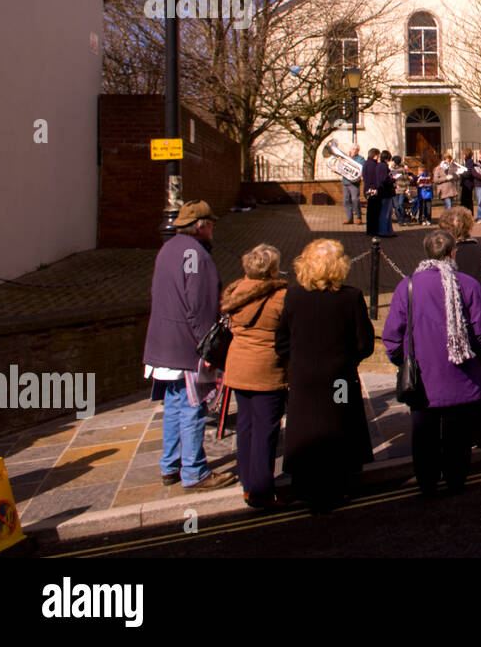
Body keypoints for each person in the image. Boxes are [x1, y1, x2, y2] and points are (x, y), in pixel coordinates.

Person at [382, 229, 481, 495]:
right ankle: (456, 480)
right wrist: (477, 358)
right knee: (458, 435)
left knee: (424, 434)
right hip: (462, 373)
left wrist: (401, 361)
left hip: (423, 376)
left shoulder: (407, 285)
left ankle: (427, 482)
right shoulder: (468, 284)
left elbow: (392, 335)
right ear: (452, 253)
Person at [142, 200, 236, 492]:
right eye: (211, 224)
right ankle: (194, 472)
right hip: (186, 348)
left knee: (173, 405)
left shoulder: (168, 248)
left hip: (163, 344)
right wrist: (207, 349)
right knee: (194, 408)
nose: (213, 229)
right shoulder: (195, 255)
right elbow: (199, 305)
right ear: (201, 226)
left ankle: (170, 465)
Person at [275, 239, 374, 510]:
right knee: (338, 429)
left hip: (304, 376)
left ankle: (304, 487)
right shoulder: (351, 297)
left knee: (305, 429)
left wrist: (297, 361)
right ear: (340, 266)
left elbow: (281, 341)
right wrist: (348, 359)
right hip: (339, 377)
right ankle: (336, 488)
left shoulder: (294, 296)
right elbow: (364, 344)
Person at [221, 243, 289, 508]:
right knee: (266, 431)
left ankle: (248, 484)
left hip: (238, 366)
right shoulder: (279, 296)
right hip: (266, 369)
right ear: (271, 268)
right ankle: (261, 492)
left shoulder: (235, 291)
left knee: (245, 427)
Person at [436, 207, 481, 445]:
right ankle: (480, 434)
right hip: (480, 324)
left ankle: (455, 433)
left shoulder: (438, 256)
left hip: (448, 328)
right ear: (469, 225)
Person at [362, 147, 386, 236]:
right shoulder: (373, 165)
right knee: (375, 211)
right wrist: (376, 188)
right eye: (378, 156)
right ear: (375, 156)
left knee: (370, 211)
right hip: (373, 190)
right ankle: (374, 230)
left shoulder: (366, 163)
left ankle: (369, 230)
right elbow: (375, 178)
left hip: (367, 189)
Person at [341, 144, 364, 225]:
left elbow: (361, 168)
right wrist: (336, 169)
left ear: (358, 150)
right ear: (350, 149)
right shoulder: (345, 157)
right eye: (353, 149)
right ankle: (349, 218)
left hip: (354, 183)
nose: (354, 150)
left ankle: (358, 217)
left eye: (356, 149)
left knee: (355, 200)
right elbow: (341, 167)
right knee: (346, 201)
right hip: (345, 181)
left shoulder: (360, 159)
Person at [378, 150, 397, 237]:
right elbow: (385, 179)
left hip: (384, 192)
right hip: (386, 192)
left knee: (388, 212)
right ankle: (384, 231)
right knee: (386, 213)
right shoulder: (383, 166)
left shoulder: (380, 166)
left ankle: (389, 231)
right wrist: (393, 179)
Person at [392, 156, 411, 223]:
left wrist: (406, 187)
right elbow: (393, 179)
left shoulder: (402, 169)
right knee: (396, 206)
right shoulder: (393, 170)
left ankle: (403, 217)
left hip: (402, 190)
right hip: (395, 190)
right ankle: (399, 219)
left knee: (400, 204)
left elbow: (406, 179)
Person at [460, 149, 476, 213]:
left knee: (467, 201)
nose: (462, 156)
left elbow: (468, 173)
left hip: (468, 184)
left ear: (465, 155)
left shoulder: (469, 162)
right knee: (465, 201)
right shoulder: (466, 162)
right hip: (466, 184)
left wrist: (461, 173)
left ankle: (469, 215)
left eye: (463, 154)